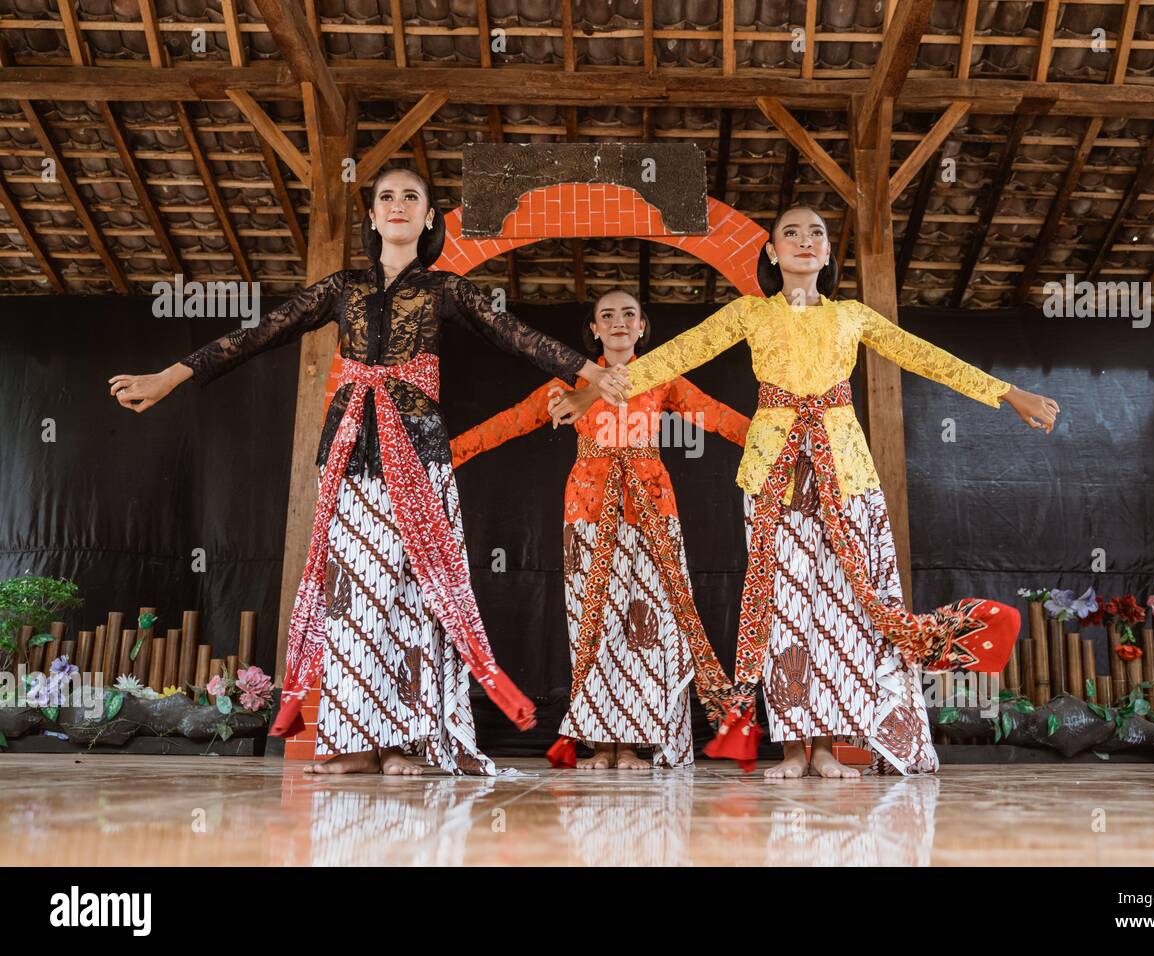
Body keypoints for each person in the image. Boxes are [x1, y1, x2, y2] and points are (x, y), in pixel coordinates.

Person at [108, 166, 626, 776]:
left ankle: (403, 743)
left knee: (413, 595)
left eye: (413, 196)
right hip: (351, 452)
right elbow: (258, 334)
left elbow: (516, 335)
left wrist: (590, 375)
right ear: (373, 217)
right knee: (352, 596)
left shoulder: (445, 290)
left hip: (419, 456)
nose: (399, 205)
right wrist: (170, 376)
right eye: (387, 197)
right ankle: (353, 740)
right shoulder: (340, 287)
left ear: (429, 218)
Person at [551, 206, 1056, 778]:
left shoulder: (852, 316)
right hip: (774, 471)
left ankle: (828, 748)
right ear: (771, 253)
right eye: (790, 233)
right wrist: (591, 395)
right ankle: (792, 748)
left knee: (843, 611)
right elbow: (671, 357)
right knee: (783, 607)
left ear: (827, 252)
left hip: (845, 470)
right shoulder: (750, 313)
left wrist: (1007, 392)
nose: (804, 240)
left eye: (815, 232)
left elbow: (924, 355)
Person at [451, 290, 750, 769]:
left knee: (646, 627)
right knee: (593, 625)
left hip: (652, 510)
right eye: (606, 315)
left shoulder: (660, 377)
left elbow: (714, 416)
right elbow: (508, 423)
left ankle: (633, 743)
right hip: (588, 511)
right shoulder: (569, 382)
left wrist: (779, 438)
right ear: (593, 329)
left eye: (627, 314)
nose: (617, 322)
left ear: (641, 327)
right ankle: (601, 743)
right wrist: (444, 454)